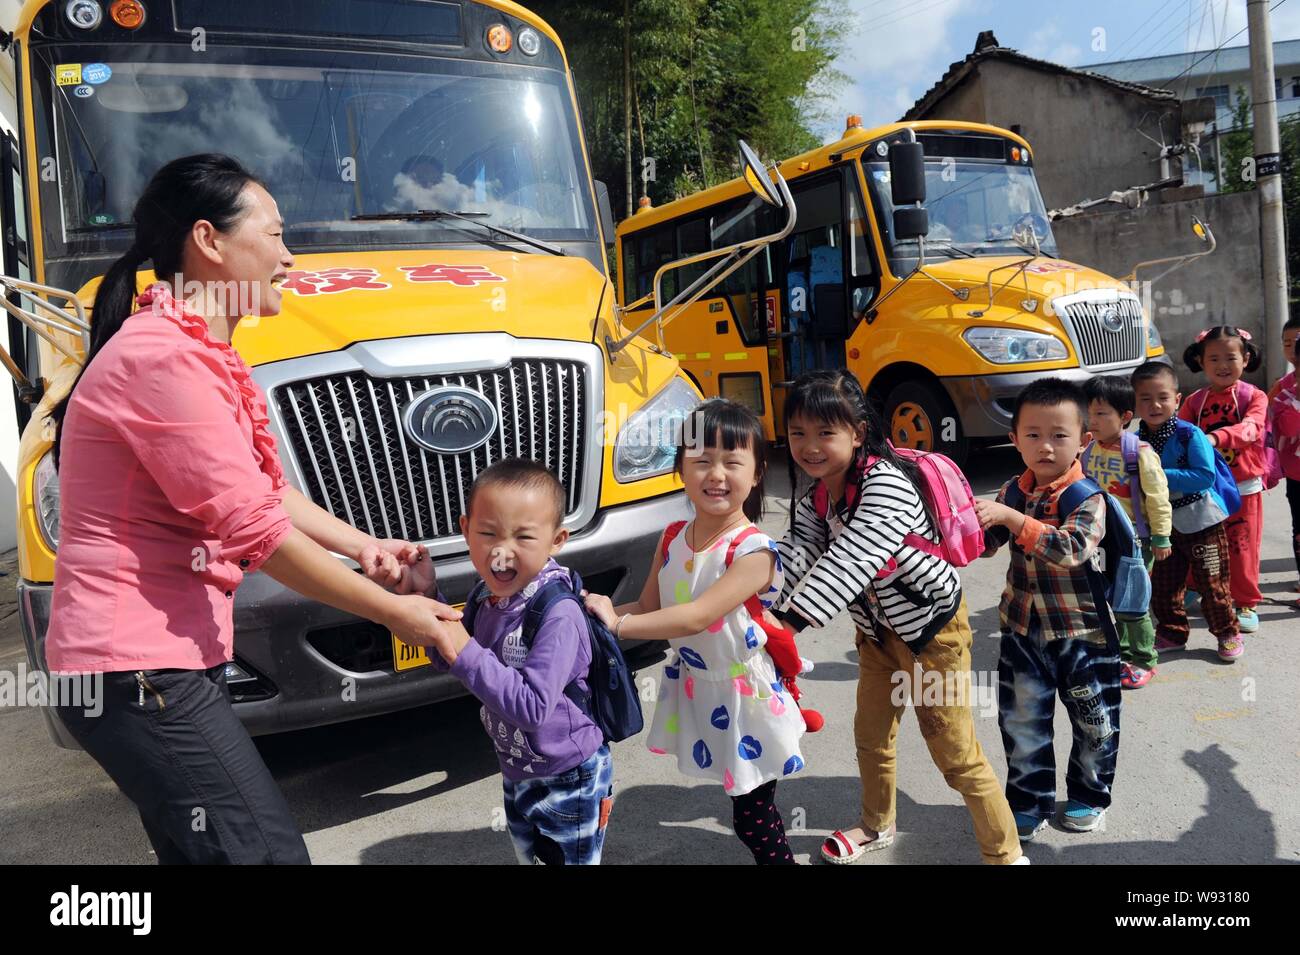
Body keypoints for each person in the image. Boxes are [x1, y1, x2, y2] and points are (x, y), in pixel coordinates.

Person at [45, 154, 457, 864]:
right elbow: (256, 529)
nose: (290, 257)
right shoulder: (162, 359)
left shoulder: (188, 351)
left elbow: (263, 491)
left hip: (151, 669)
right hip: (137, 673)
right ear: (209, 242)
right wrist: (394, 611)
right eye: (274, 235)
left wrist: (364, 545)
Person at [775, 369, 1024, 865]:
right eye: (798, 432)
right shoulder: (818, 494)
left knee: (957, 758)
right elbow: (797, 549)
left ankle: (1006, 855)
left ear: (858, 432)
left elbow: (854, 556)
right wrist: (750, 588)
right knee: (870, 739)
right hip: (875, 637)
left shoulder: (887, 485)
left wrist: (787, 625)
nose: (810, 447)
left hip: (932, 637)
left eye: (826, 432)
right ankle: (876, 825)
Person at [584, 399, 806, 865]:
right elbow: (650, 606)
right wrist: (587, 618)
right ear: (680, 469)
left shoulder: (754, 551)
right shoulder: (672, 537)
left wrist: (617, 623)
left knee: (751, 814)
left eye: (732, 461)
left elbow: (695, 616)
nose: (716, 474)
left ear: (758, 471)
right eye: (701, 460)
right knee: (746, 804)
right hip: (701, 688)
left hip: (747, 697)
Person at [402, 459, 614, 865]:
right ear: (465, 530)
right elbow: (449, 658)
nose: (502, 551)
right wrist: (428, 592)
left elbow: (532, 706)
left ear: (557, 539)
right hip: (518, 766)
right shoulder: (488, 594)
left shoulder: (558, 613)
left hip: (570, 776)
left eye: (524, 536)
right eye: (488, 533)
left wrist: (464, 649)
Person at [977, 377, 1121, 838]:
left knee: (1094, 722)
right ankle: (1028, 802)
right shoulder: (1012, 492)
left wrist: (1014, 520)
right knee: (1021, 721)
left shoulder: (1088, 497)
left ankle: (1089, 796)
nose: (1045, 446)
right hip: (1022, 630)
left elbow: (1071, 548)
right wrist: (954, 524)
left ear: (1083, 440)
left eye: (1059, 435)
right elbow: (986, 545)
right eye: (1033, 435)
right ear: (1014, 439)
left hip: (1083, 634)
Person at [1130, 362, 1240, 661]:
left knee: (1212, 583)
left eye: (1162, 397)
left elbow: (1204, 476)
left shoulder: (1189, 435)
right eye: (1145, 398)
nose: (1154, 405)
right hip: (1162, 526)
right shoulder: (1134, 440)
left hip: (1201, 521)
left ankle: (1227, 632)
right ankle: (1172, 632)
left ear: (1177, 399)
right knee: (1165, 585)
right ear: (1135, 401)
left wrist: (1156, 473)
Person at [1081, 375, 1171, 689]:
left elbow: (1159, 497)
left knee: (1133, 602)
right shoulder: (1090, 451)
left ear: (1125, 417)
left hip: (1135, 539)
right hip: (1099, 538)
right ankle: (1120, 652)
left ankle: (1144, 659)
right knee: (1109, 596)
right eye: (1090, 414)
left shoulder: (1139, 453)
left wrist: (1161, 536)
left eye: (1101, 414)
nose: (1093, 421)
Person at [1179, 327, 1269, 634]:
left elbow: (1252, 429)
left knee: (1241, 546)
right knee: (1198, 540)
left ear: (1245, 359)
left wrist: (1215, 439)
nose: (1222, 365)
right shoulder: (1194, 400)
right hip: (1204, 486)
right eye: (1213, 358)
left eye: (1230, 357)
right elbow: (1180, 433)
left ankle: (1245, 601)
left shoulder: (1254, 396)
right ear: (1201, 362)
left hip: (1243, 485)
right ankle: (1195, 585)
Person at [1268, 323, 1300, 604]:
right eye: (1286, 342)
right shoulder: (1283, 389)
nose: (1291, 347)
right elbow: (1281, 430)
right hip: (1296, 474)